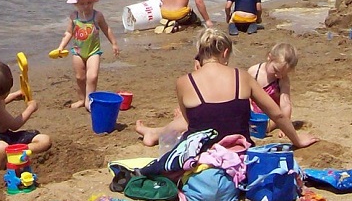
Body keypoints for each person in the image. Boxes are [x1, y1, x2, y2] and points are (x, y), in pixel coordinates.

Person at [133, 28, 317, 149]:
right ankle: (154, 132)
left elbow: (192, 122)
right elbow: (277, 114)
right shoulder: (243, 76)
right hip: (238, 152)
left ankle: (155, 132)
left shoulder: (183, 82)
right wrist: (297, 141)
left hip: (202, 152)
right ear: (226, 52)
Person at [53, 0, 121, 109]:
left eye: (89, 3)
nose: (86, 6)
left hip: (93, 51)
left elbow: (107, 29)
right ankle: (81, 99)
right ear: (76, 4)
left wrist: (114, 43)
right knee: (80, 77)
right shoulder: (74, 17)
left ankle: (89, 101)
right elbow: (68, 33)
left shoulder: (97, 16)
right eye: (82, 3)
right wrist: (61, 47)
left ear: (94, 1)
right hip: (77, 52)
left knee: (92, 76)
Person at [248, 42, 304, 139]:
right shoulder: (253, 72)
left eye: (283, 73)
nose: (278, 75)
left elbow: (285, 104)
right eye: (276, 70)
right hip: (252, 113)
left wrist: (284, 127)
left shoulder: (283, 80)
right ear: (269, 57)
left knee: (263, 127)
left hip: (271, 116)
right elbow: (245, 95)